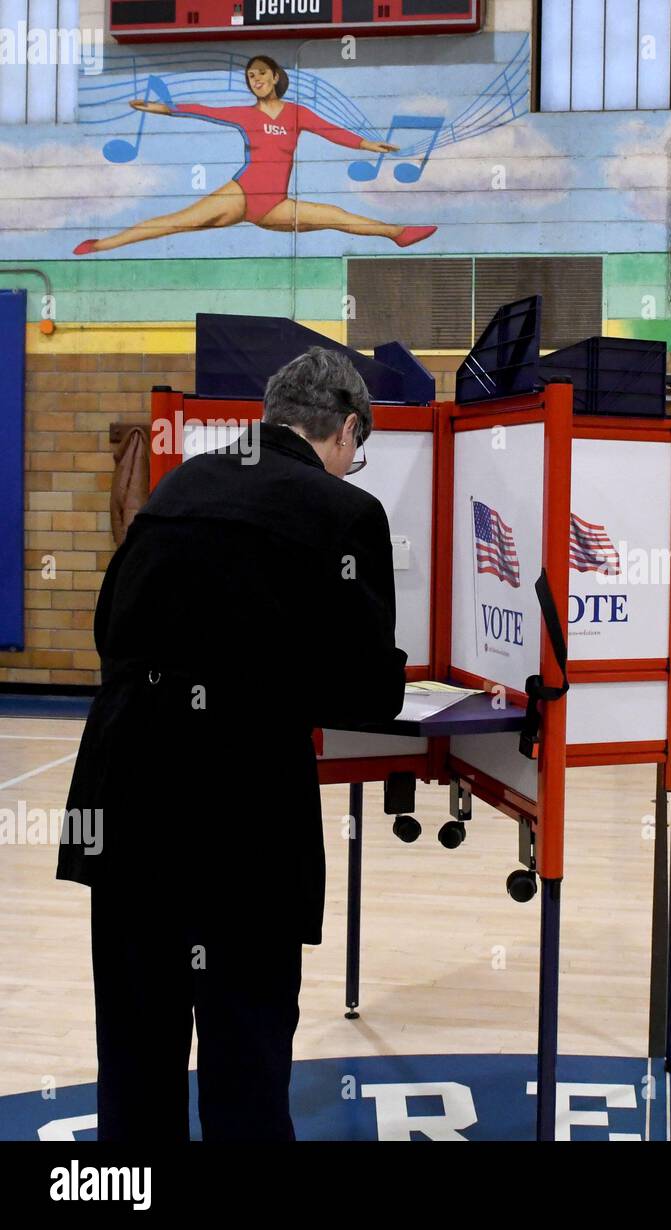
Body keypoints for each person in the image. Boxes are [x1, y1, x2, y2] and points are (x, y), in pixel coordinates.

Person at [58, 347, 408, 1141]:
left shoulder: (180, 485)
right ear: (347, 429)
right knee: (243, 1056)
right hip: (238, 816)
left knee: (136, 1054)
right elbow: (366, 692)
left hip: (122, 799)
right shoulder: (344, 513)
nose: (354, 465)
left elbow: (110, 630)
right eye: (361, 449)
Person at [74, 55, 437, 254]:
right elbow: (204, 110)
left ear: (275, 76)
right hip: (241, 194)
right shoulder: (246, 115)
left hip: (275, 205)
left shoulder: (296, 113)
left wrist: (368, 145)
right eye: (250, 76)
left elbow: (330, 131)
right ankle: (103, 243)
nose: (255, 80)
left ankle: (397, 232)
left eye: (260, 73)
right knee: (178, 220)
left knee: (334, 215)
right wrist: (160, 108)